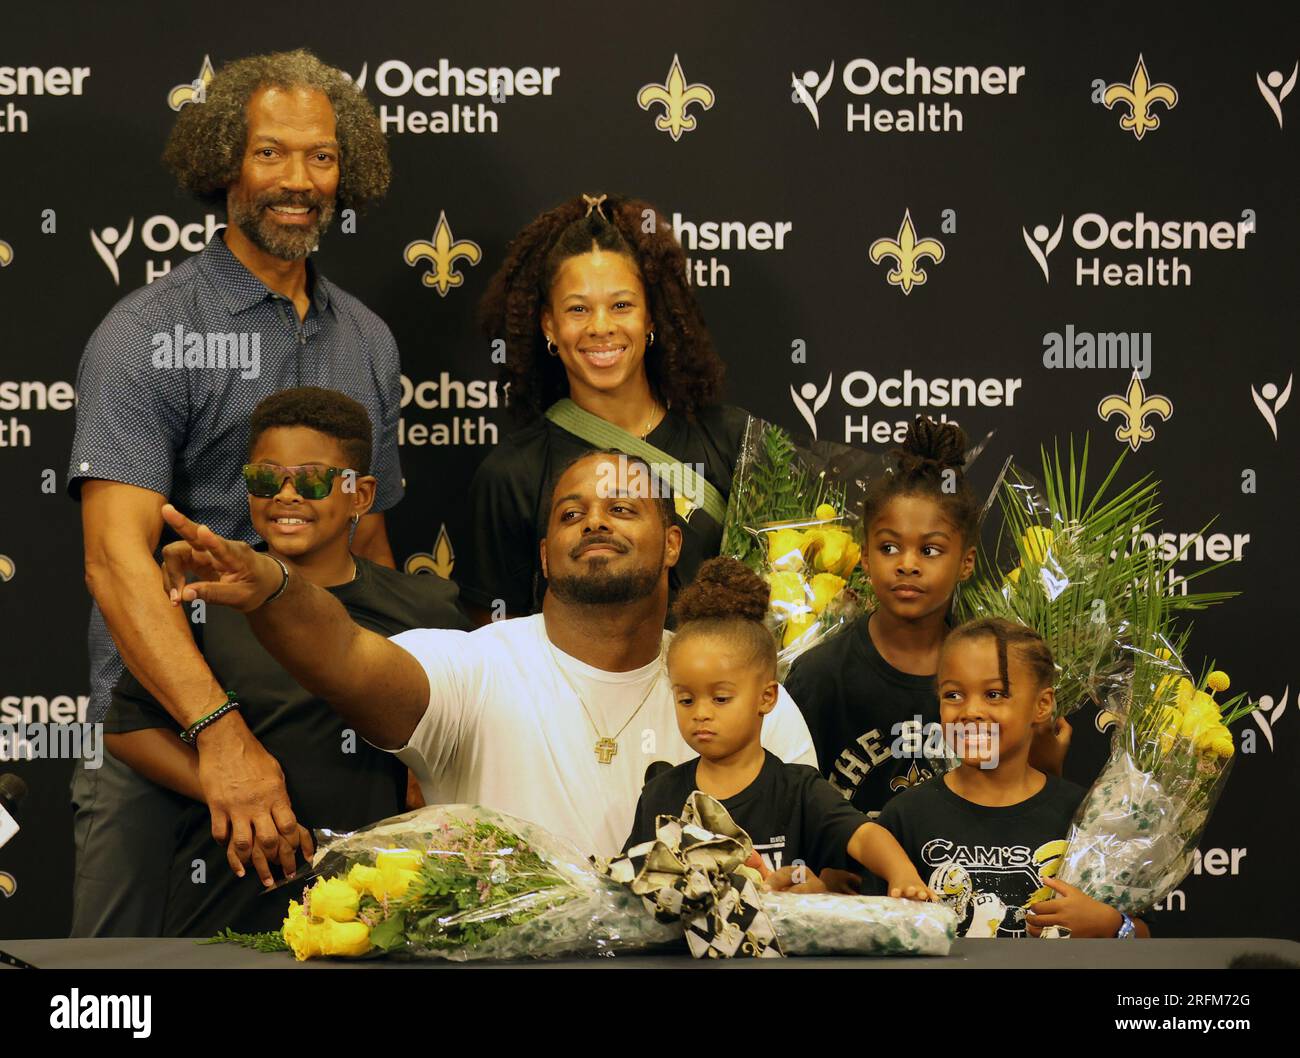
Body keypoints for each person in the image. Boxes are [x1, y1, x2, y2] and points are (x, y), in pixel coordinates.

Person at [67, 48, 401, 936]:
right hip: (163, 740)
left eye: (321, 157)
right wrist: (219, 734)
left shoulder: (367, 340)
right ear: (225, 163)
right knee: (116, 991)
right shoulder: (146, 334)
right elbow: (115, 561)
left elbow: (369, 547)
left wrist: (411, 726)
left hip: (323, 743)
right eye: (271, 152)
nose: (299, 180)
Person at [155, 451, 818, 857]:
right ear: (544, 556)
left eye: (621, 508)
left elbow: (807, 867)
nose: (594, 521)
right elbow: (346, 657)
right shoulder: (477, 667)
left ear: (672, 544)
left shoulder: (745, 693)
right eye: (571, 514)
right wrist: (274, 589)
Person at [103, 388, 468, 937]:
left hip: (384, 902)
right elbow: (127, 728)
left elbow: (471, 724)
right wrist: (228, 789)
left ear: (362, 495)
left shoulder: (424, 607)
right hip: (235, 887)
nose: (287, 495)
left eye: (314, 480)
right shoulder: (209, 598)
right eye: (266, 479)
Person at [461, 192, 751, 623]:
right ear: (549, 325)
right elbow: (491, 638)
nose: (601, 327)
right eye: (578, 309)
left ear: (650, 318)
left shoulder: (732, 440)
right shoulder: (512, 475)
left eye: (621, 305)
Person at [784, 416, 1070, 823]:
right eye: (889, 547)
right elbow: (789, 807)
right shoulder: (820, 676)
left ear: (966, 562)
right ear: (864, 557)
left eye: (930, 550)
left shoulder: (995, 679)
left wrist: (1046, 763)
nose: (907, 564)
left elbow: (1022, 809)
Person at [622, 557, 934, 900]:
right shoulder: (659, 796)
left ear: (767, 697)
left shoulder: (798, 790)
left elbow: (864, 836)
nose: (701, 713)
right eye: (686, 699)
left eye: (721, 698)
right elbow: (628, 885)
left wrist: (902, 875)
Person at [877, 617, 1149, 938]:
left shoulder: (1083, 816)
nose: (970, 711)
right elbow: (870, 931)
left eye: (994, 694)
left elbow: (1147, 939)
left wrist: (1111, 925)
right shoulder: (906, 816)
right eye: (953, 695)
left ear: (1041, 705)